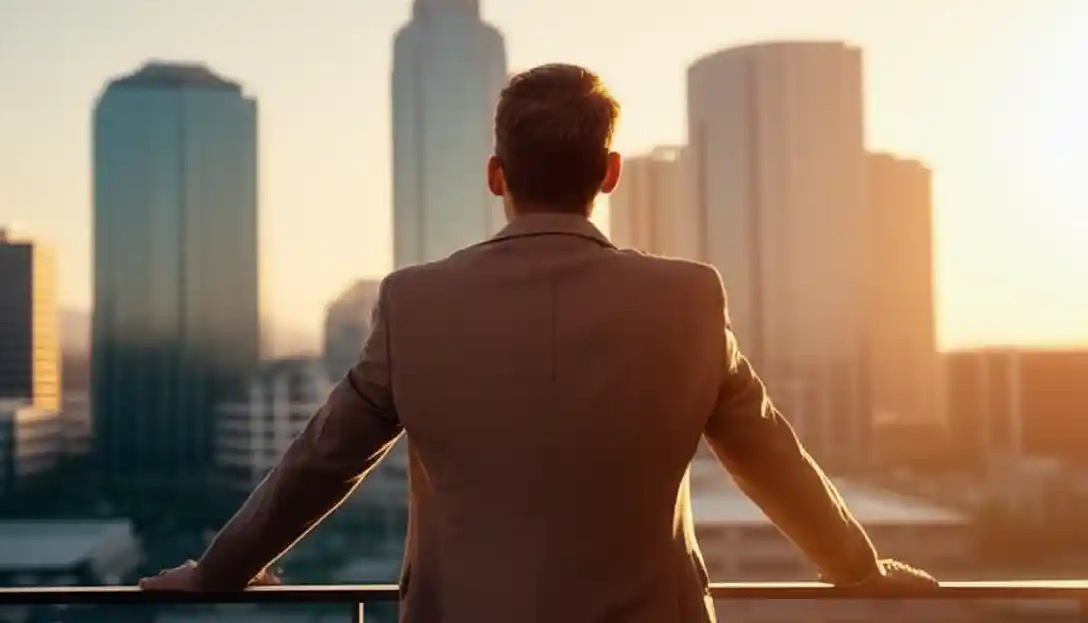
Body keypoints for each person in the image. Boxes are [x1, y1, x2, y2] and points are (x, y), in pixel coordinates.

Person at [141, 63, 935, 621]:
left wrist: (220, 572)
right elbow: (769, 455)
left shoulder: (416, 301)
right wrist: (855, 570)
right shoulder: (689, 298)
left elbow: (323, 460)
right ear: (611, 171)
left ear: (496, 174)